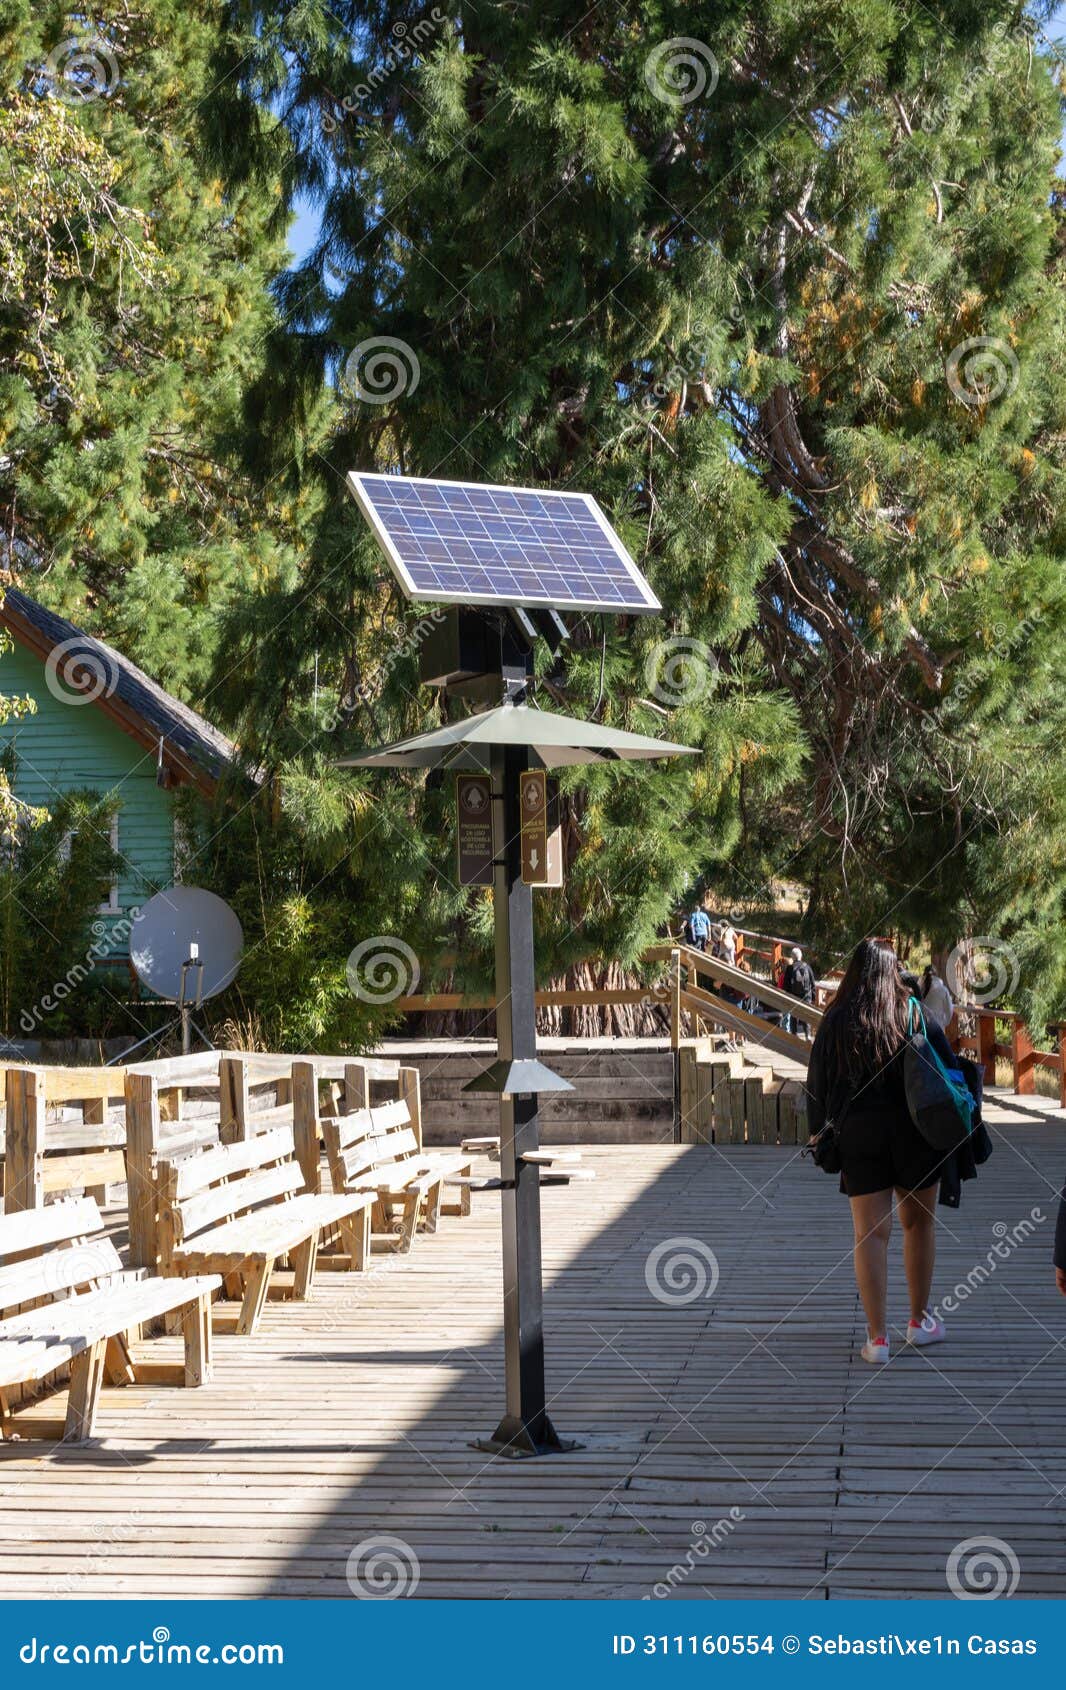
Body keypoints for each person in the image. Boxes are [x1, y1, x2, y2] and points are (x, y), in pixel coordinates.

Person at [806, 939, 959, 1363]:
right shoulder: (913, 1012)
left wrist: (819, 1136)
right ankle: (919, 1322)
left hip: (860, 1136)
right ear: (894, 972)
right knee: (918, 1226)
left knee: (870, 1235)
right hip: (917, 1133)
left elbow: (817, 1082)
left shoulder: (837, 1017)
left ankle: (877, 1340)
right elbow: (946, 1068)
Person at [784, 945, 816, 1039]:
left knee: (794, 1016)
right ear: (801, 956)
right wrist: (813, 997)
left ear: (792, 957)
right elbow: (813, 983)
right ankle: (808, 1036)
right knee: (806, 1015)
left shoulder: (790, 968)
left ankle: (794, 1035)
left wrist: (788, 996)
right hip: (806, 996)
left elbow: (786, 985)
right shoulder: (807, 967)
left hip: (794, 996)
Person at [920, 964, 954, 1033]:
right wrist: (943, 1022)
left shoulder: (920, 989)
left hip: (923, 1028)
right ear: (937, 975)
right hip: (938, 1027)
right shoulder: (943, 990)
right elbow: (949, 1010)